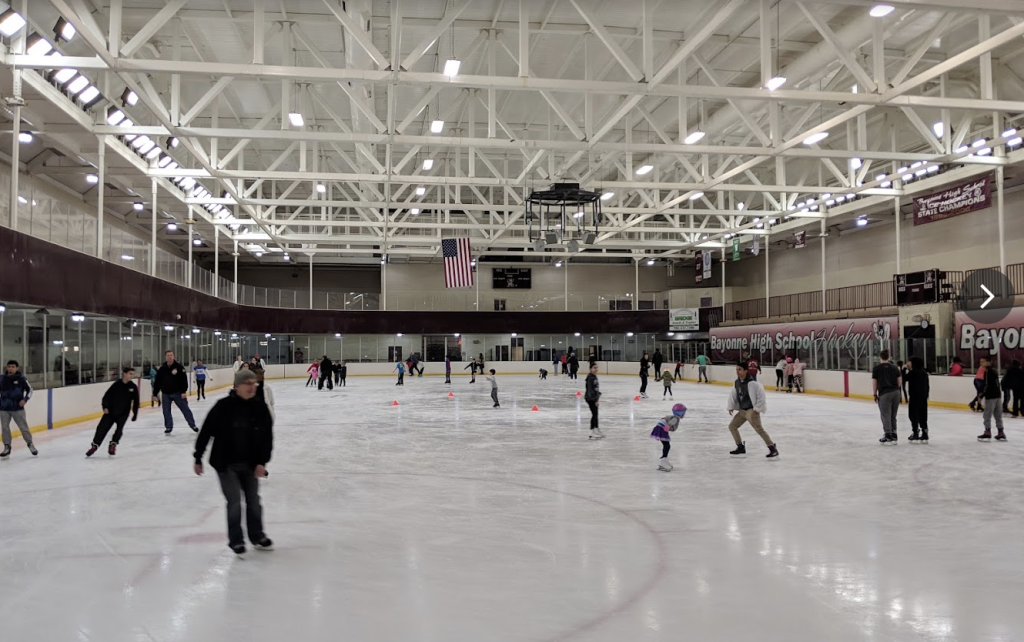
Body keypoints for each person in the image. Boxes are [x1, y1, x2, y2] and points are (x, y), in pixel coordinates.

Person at [193, 368, 274, 557]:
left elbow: (267, 438)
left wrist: (262, 462)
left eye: (253, 383)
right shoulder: (222, 407)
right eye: (247, 383)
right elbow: (206, 432)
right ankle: (236, 541)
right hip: (226, 464)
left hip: (251, 464)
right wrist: (198, 457)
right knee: (235, 502)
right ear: (237, 386)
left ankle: (257, 536)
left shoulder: (260, 408)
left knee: (254, 501)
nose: (251, 387)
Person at [727, 362, 778, 458]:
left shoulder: (753, 383)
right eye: (736, 370)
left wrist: (757, 408)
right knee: (732, 426)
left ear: (746, 371)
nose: (737, 372)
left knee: (759, 429)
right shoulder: (737, 382)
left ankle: (772, 448)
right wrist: (731, 406)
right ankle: (740, 447)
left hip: (751, 410)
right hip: (742, 411)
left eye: (740, 370)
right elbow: (733, 395)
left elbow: (761, 396)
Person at [87, 366, 140, 457]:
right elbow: (106, 396)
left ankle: (113, 445)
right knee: (101, 429)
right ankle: (95, 446)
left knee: (119, 430)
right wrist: (105, 407)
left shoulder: (133, 387)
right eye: (130, 374)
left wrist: (135, 413)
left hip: (123, 413)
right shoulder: (117, 384)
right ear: (124, 374)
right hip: (110, 412)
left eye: (133, 374)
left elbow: (136, 401)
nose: (132, 376)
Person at [153, 350, 197, 434]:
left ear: (174, 356)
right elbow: (157, 382)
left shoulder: (179, 367)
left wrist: (183, 391)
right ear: (165, 357)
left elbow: (184, 380)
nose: (169, 357)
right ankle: (169, 427)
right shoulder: (162, 369)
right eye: (168, 355)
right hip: (165, 393)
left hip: (178, 393)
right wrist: (155, 394)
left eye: (171, 355)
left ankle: (193, 425)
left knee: (185, 409)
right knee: (166, 411)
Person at [0, 360, 37, 458]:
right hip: (4, 408)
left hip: (17, 408)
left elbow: (30, 390)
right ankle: (7, 446)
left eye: (12, 367)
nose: (10, 368)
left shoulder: (21, 378)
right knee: (4, 428)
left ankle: (30, 443)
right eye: (9, 367)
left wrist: (25, 399)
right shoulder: (2, 379)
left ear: (17, 368)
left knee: (23, 428)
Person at [872, 350, 902, 445]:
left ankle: (888, 434)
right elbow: (899, 381)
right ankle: (894, 433)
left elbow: (874, 383)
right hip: (896, 392)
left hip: (884, 393)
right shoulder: (895, 368)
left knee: (885, 414)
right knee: (893, 414)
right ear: (888, 357)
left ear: (880, 357)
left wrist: (874, 394)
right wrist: (896, 388)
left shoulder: (876, 368)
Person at [650, 404, 686, 472]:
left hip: (660, 428)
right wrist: (666, 428)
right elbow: (670, 423)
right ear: (680, 413)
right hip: (662, 429)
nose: (684, 414)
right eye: (684, 413)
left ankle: (664, 460)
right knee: (667, 446)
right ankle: (663, 461)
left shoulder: (674, 417)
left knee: (666, 445)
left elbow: (665, 419)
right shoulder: (676, 418)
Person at [977, 356, 1006, 442]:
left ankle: (987, 431)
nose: (981, 363)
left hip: (991, 396)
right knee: (998, 415)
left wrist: (981, 395)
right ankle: (1001, 432)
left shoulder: (988, 372)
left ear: (989, 362)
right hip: (998, 395)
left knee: (987, 415)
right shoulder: (994, 371)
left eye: (983, 362)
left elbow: (987, 385)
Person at [906, 357, 930, 444]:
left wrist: (905, 369)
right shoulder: (924, 372)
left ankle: (915, 432)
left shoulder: (912, 372)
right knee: (923, 415)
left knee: (913, 415)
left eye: (909, 362)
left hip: (914, 397)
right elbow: (927, 385)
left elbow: (904, 378)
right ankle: (924, 432)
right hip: (923, 397)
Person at [583, 363, 603, 439]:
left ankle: (596, 429)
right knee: (594, 414)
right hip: (590, 399)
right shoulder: (590, 378)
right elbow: (590, 390)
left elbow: (596, 388)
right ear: (590, 369)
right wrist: (595, 400)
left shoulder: (594, 376)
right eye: (594, 368)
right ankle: (591, 432)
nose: (596, 369)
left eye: (597, 368)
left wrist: (598, 395)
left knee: (595, 414)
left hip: (594, 398)